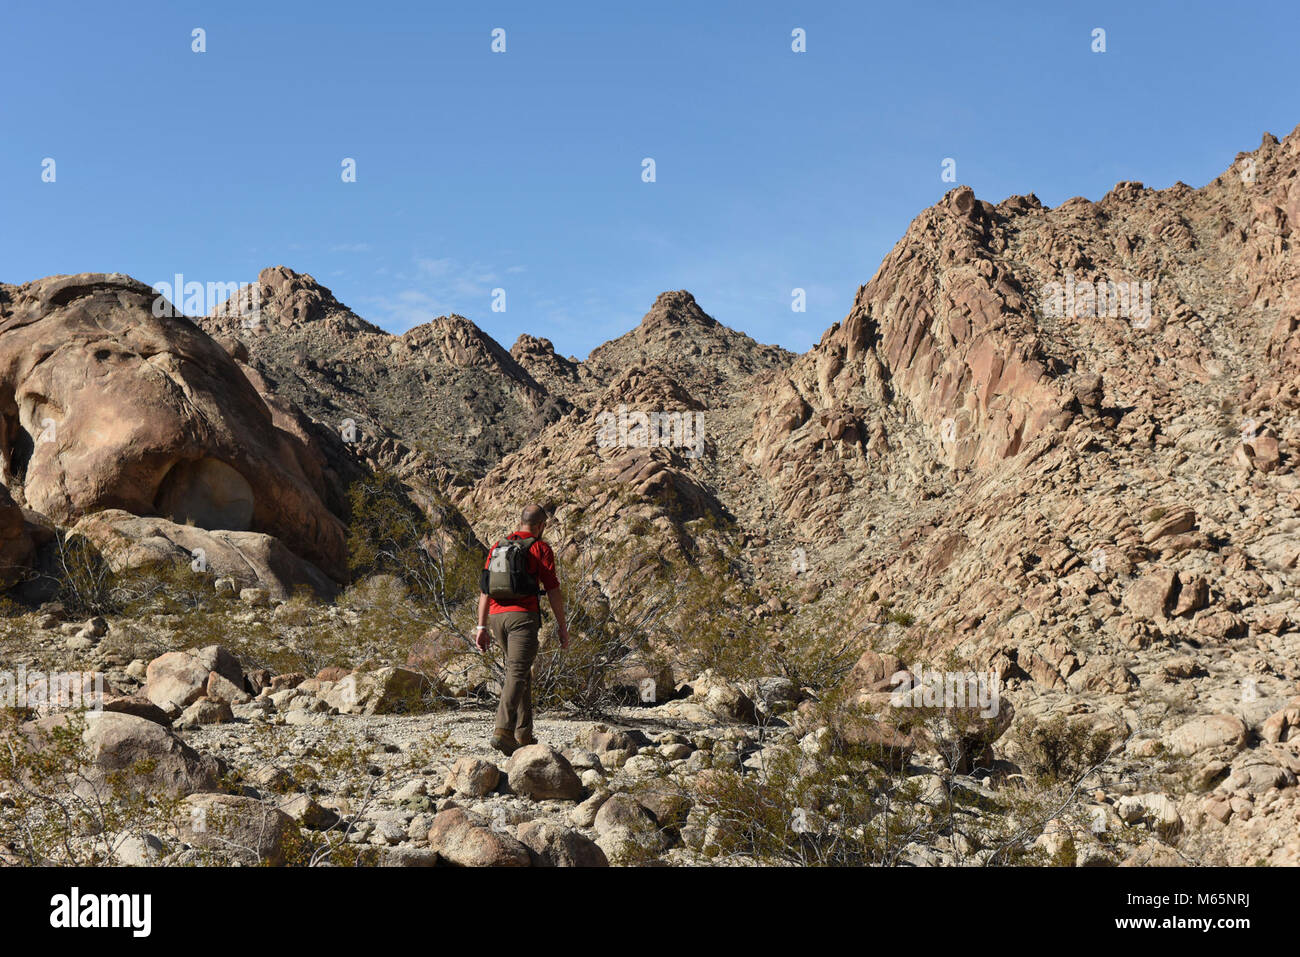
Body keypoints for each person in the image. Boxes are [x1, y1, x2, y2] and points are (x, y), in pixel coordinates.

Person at [474, 504, 569, 755]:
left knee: (522, 672)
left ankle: (524, 734)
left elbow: (485, 590)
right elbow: (552, 590)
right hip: (522, 618)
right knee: (517, 672)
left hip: (496, 618)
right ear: (540, 526)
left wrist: (481, 627)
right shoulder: (540, 548)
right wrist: (562, 626)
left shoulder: (497, 547)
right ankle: (502, 731)